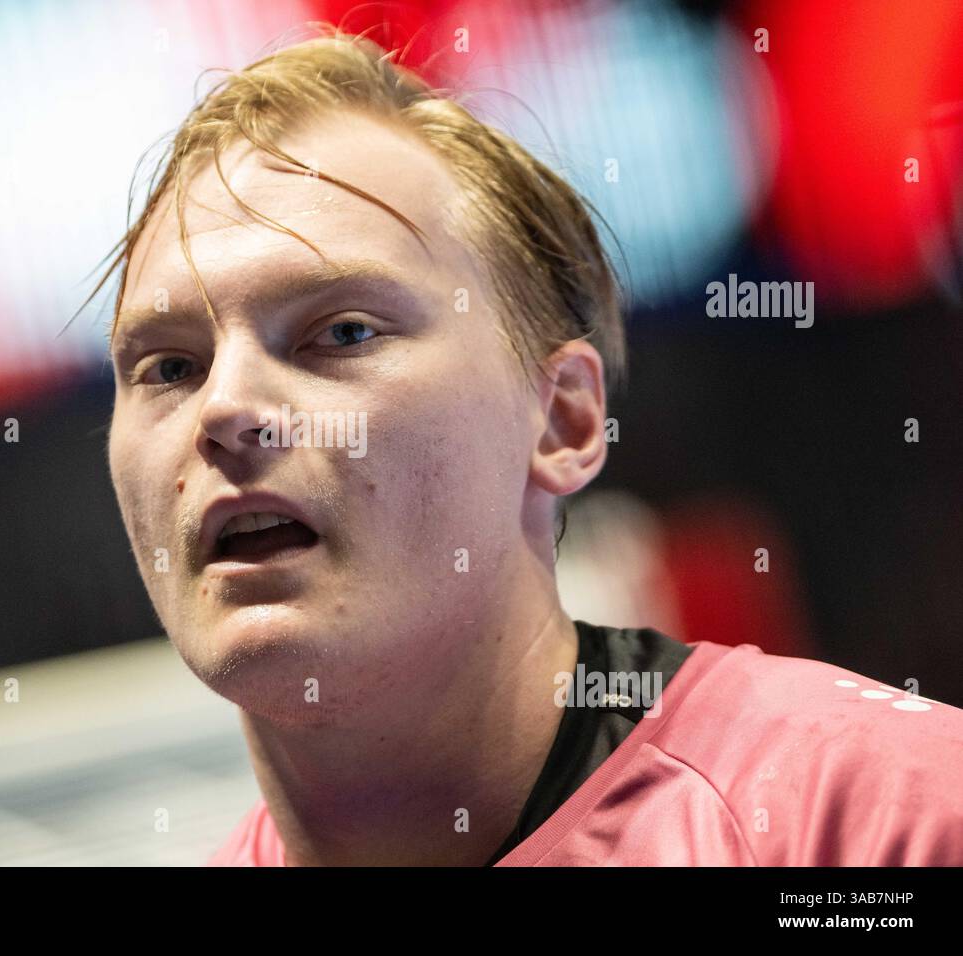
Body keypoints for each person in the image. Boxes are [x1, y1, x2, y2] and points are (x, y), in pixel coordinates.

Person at [93, 30, 963, 865]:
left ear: (562, 423)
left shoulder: (886, 820)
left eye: (344, 331)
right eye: (170, 366)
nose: (227, 407)